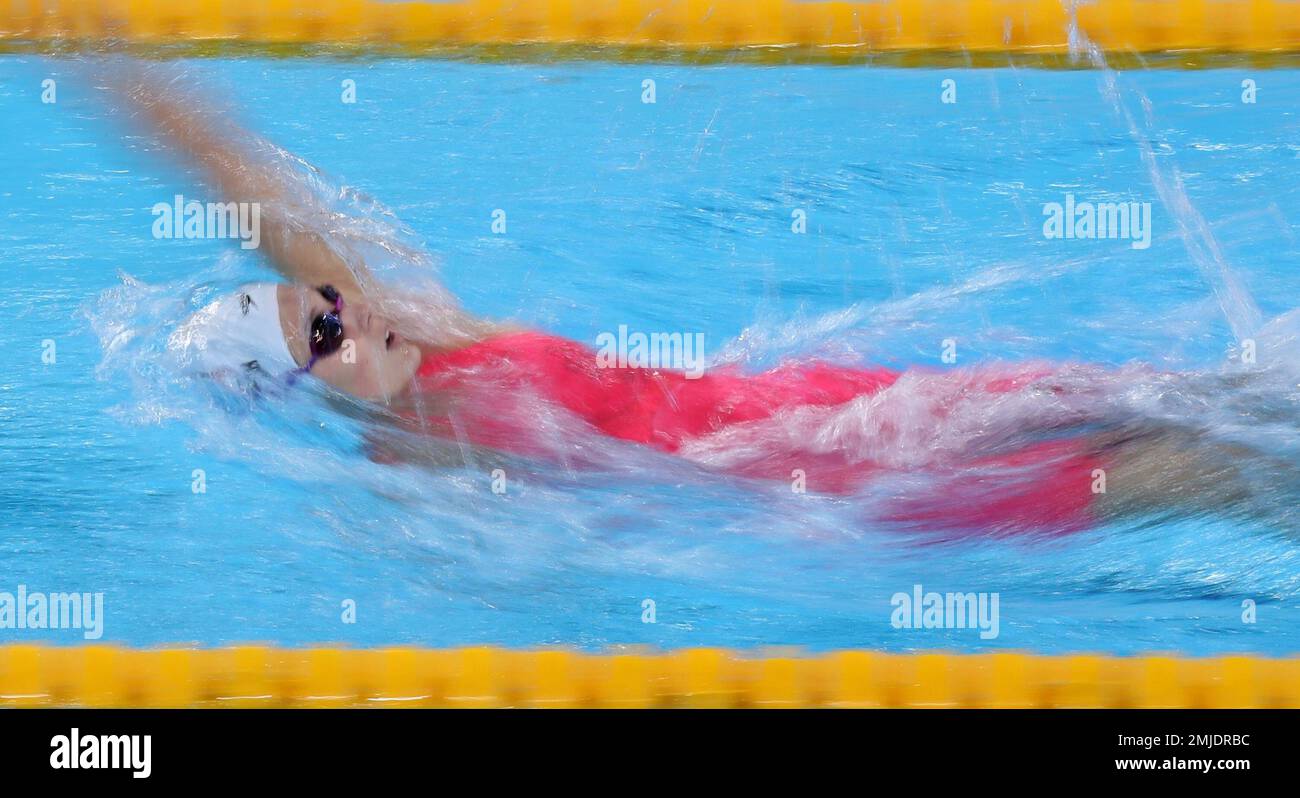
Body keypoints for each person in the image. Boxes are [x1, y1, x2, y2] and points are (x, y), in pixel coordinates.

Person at [112, 63, 1251, 535]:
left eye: (327, 297)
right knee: (1209, 476)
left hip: (833, 405)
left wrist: (135, 83)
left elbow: (252, 190)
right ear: (306, 389)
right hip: (829, 488)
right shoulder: (410, 462)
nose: (347, 309)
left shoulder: (434, 338)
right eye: (323, 329)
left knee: (1212, 396)